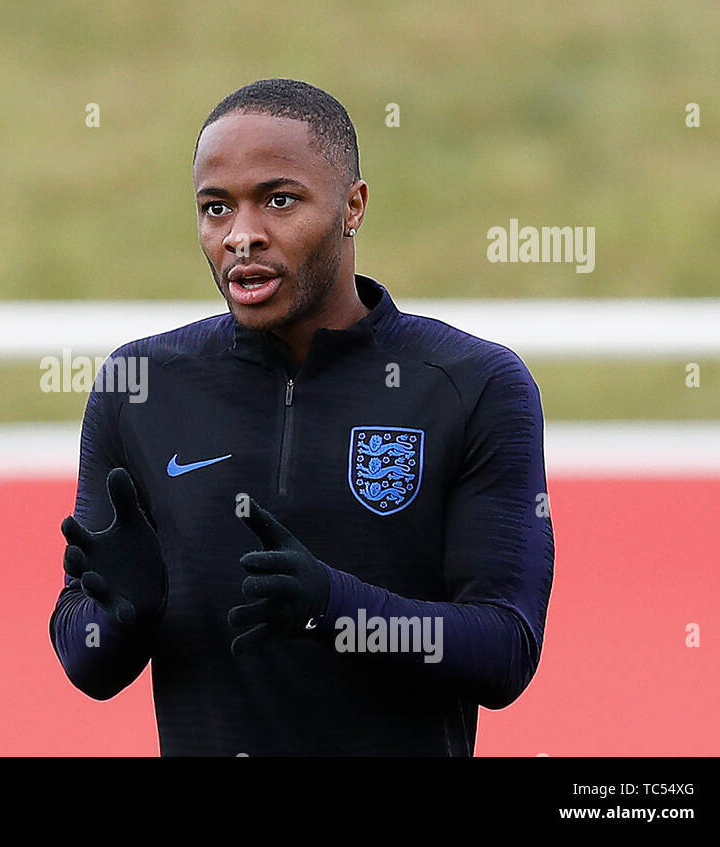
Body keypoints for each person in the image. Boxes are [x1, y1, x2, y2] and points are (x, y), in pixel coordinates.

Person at [49, 78, 554, 756]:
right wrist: (121, 615)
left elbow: (504, 649)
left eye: (278, 200)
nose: (242, 236)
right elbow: (87, 662)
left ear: (354, 206)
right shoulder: (140, 386)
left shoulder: (474, 385)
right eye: (215, 208)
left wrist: (334, 609)